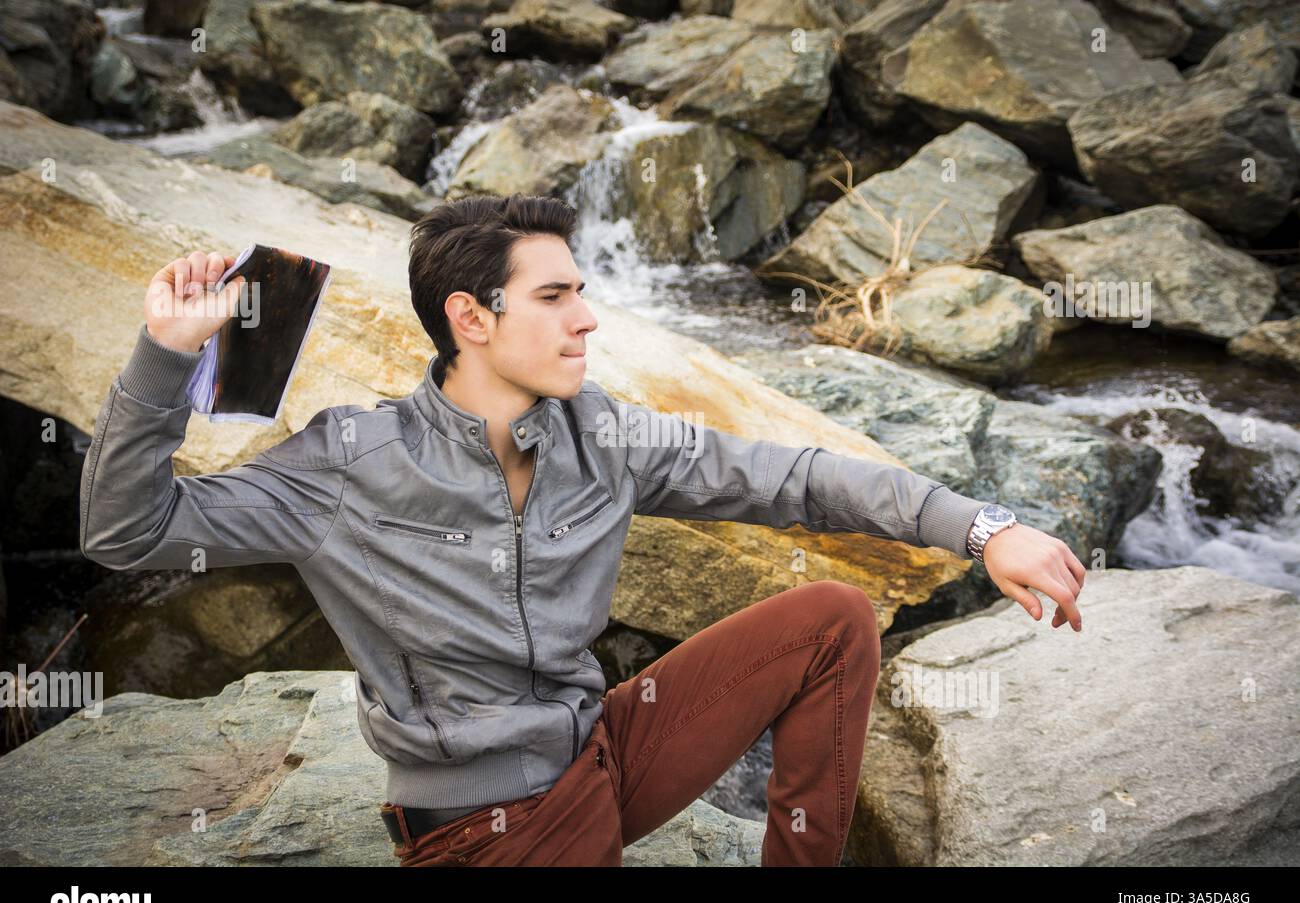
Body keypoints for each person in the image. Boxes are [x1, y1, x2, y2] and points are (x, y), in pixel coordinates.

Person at [79, 193, 1085, 866]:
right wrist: (166, 357)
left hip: (602, 746)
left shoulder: (598, 431)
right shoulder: (349, 462)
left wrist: (981, 528)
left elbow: (799, 479)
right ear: (471, 318)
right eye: (554, 297)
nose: (587, 319)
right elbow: (129, 531)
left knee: (830, 619)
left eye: (582, 294)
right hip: (487, 827)